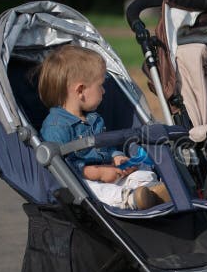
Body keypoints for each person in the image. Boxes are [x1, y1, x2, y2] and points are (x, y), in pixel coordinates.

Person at [38, 44, 170, 210]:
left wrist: (117, 157)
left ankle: (150, 191)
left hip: (111, 173)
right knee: (94, 190)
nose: (104, 91)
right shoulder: (56, 126)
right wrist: (97, 172)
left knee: (141, 174)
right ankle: (131, 199)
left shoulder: (95, 118)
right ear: (80, 90)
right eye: (100, 85)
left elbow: (106, 148)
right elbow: (61, 168)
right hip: (83, 181)